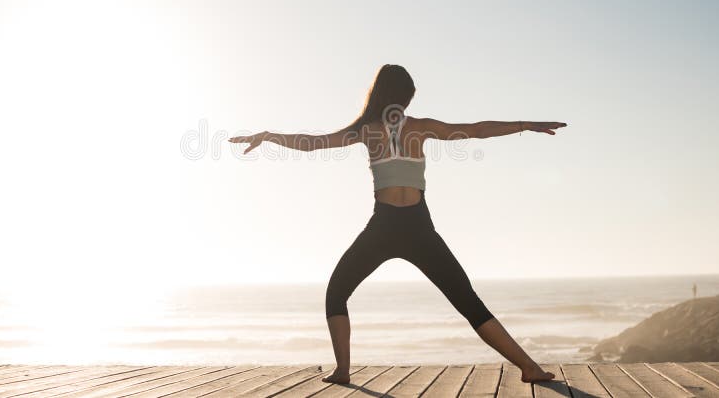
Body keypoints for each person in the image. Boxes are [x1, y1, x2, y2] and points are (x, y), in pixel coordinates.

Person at [229, 64, 566, 384]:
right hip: (418, 226)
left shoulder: (365, 131)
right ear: (404, 96)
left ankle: (343, 371)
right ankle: (529, 367)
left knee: (337, 294)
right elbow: (478, 130)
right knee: (468, 301)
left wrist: (269, 136)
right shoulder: (421, 127)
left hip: (385, 227)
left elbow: (313, 144)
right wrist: (526, 124)